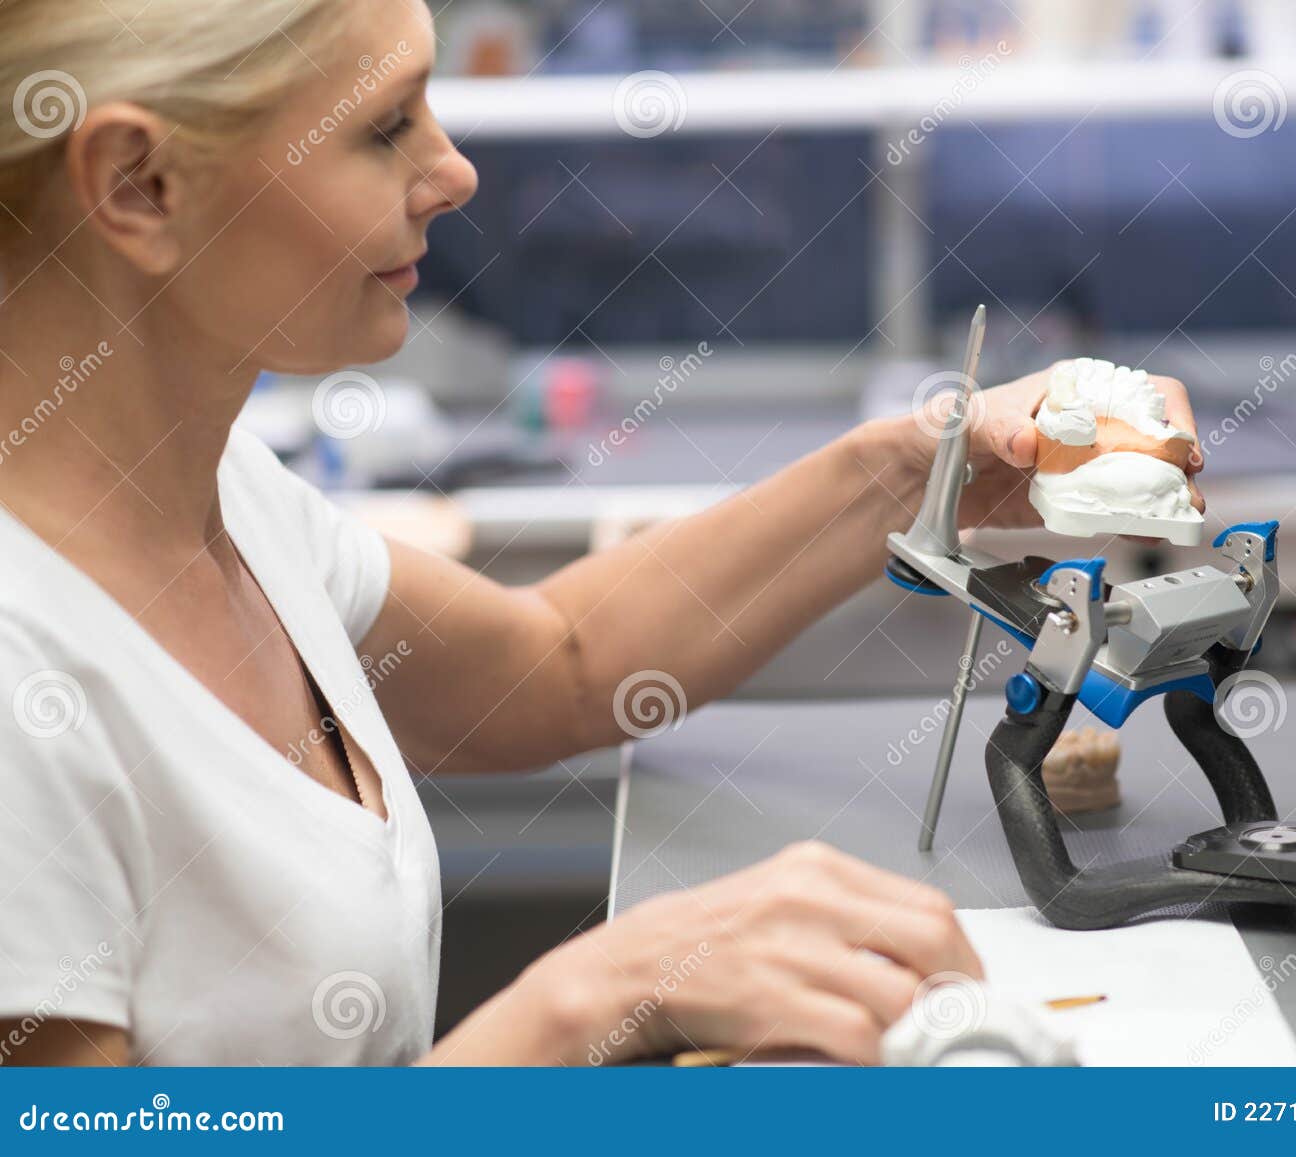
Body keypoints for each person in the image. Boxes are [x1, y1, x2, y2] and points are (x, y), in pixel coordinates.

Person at [0, 0, 1202, 1066]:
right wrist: (585, 1004)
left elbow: (559, 661)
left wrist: (920, 471)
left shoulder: (220, 496)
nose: (455, 170)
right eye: (383, 127)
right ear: (137, 185)